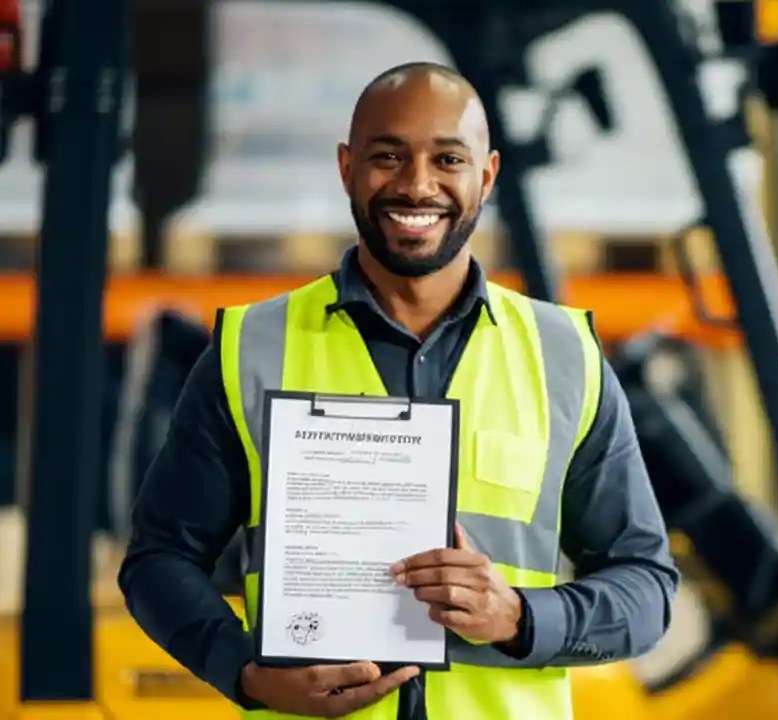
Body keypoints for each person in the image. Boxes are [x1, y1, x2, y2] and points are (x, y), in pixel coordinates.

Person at [118, 61, 679, 720]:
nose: (417, 184)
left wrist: (519, 616)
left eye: (448, 159)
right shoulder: (251, 350)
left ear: (486, 176)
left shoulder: (566, 358)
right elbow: (159, 561)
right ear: (346, 168)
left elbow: (647, 589)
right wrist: (245, 672)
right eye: (388, 156)